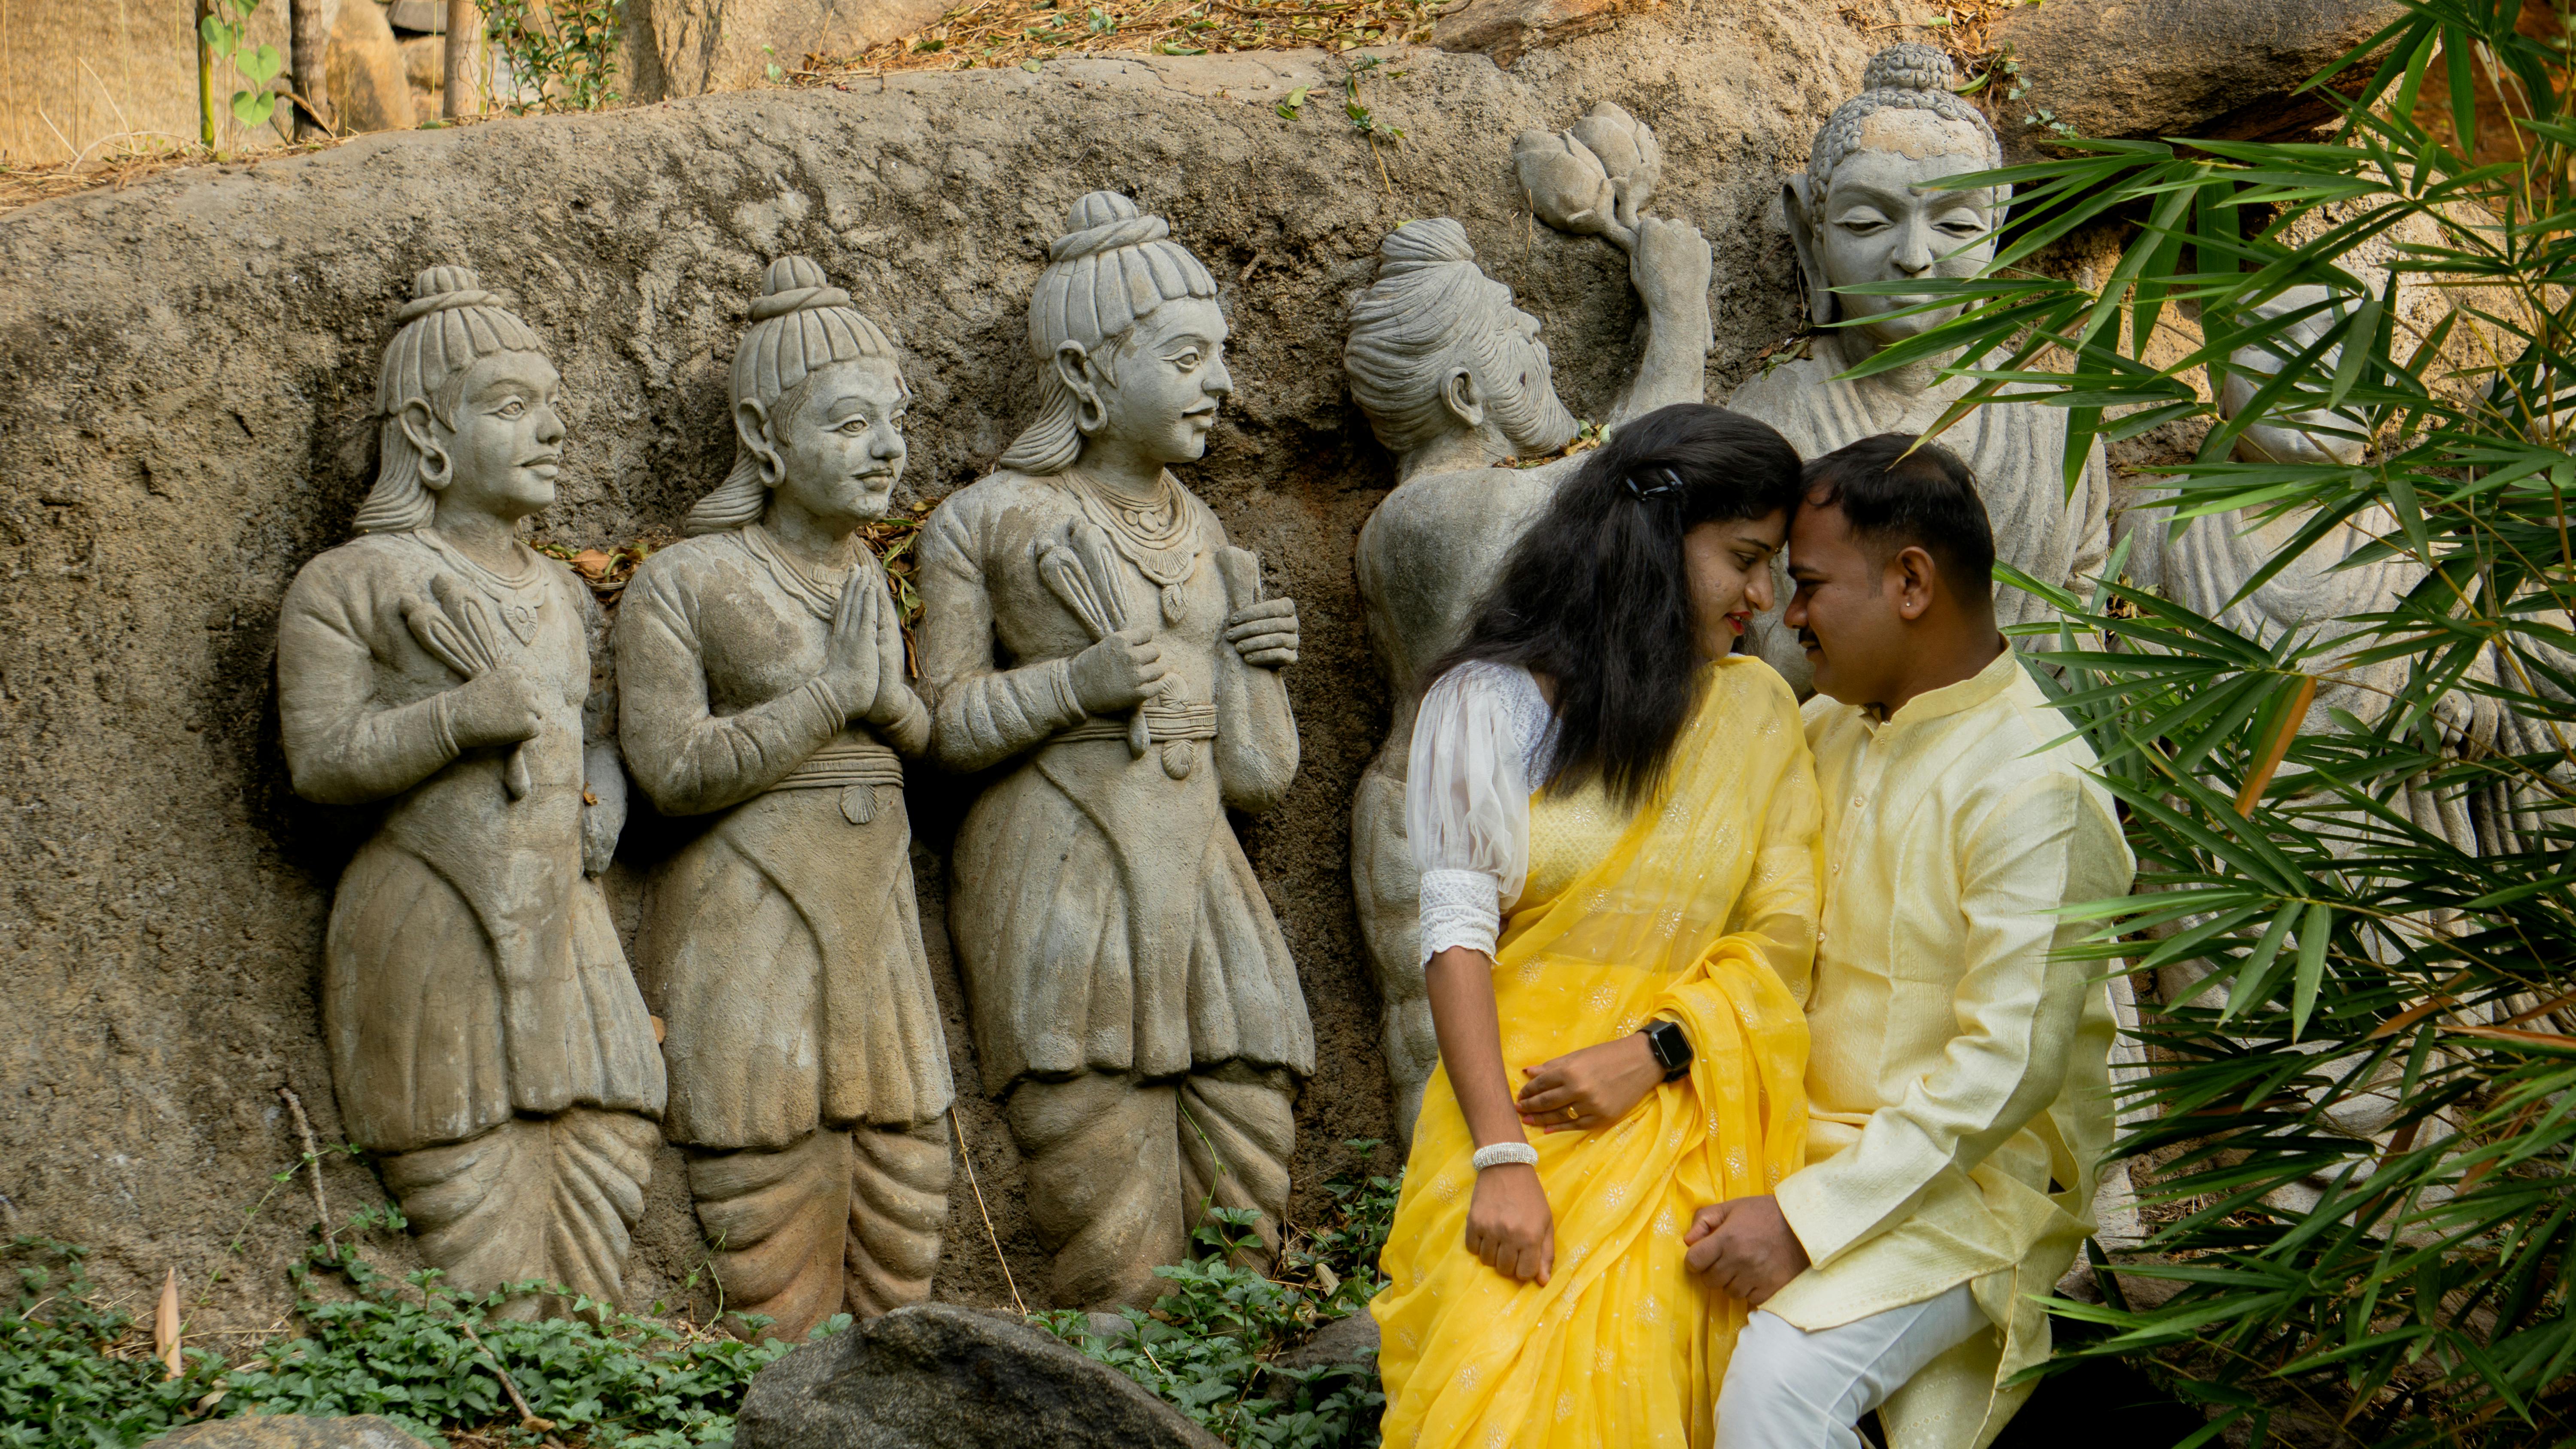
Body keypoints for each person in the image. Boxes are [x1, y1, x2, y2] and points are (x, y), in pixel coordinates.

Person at [1372, 403, 1823, 1448]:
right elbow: (1455, 936)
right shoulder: (1490, 702)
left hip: (1685, 1139)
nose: (1764, 599)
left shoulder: (1756, 714)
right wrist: (1502, 1160)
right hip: (1517, 1125)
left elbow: (1782, 940)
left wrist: (1655, 1052)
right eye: (1746, 558)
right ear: (1655, 542)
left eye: (1779, 568)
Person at [1689, 433, 2134, 1449]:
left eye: (1807, 584)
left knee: (1777, 1389)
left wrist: (1802, 1218)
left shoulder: (2037, 786)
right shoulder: (1830, 728)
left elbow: (2005, 1072)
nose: (1787, 615)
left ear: (1911, 581)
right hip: (1774, 1147)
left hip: (1960, 1194)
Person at [915, 192, 1312, 1309]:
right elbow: (943, 723)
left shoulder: (1211, 535)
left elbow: (1261, 777)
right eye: (1187, 357)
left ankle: (1230, 1367)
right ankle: (1125, 1383)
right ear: (1086, 378)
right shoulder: (990, 521)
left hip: (1203, 863)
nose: (1220, 383)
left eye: (1220, 356)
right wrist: (1072, 685)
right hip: (1062, 859)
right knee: (1103, 1171)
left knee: (1248, 1108)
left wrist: (1254, 672)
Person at [276, 266, 664, 1313]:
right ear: (427, 430)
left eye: (552, 405)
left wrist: (604, 788)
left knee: (608, 1134)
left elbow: (589, 737)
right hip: (434, 914)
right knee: (469, 1166)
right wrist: (454, 718)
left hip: (567, 915)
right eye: (512, 407)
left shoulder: (562, 596)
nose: (550, 430)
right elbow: (319, 757)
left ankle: (584, 1377)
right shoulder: (352, 583)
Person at [617, 257, 953, 1340]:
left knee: (904, 1164)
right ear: (765, 438)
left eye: (895, 422)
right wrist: (828, 699)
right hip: (747, 911)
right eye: (851, 424)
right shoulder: (690, 580)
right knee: (768, 1162)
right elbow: (668, 770)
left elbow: (918, 731)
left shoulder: (871, 573)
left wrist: (887, 703)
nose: (890, 450)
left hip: (879, 914)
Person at [1345, 212, 1714, 1143]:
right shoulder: (1436, 513)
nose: (1540, 345)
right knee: (1461, 1113)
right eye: (1519, 340)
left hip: (1527, 804)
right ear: (1469, 392)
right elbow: (1633, 479)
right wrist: (1678, 317)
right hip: (1456, 814)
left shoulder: (1453, 509)